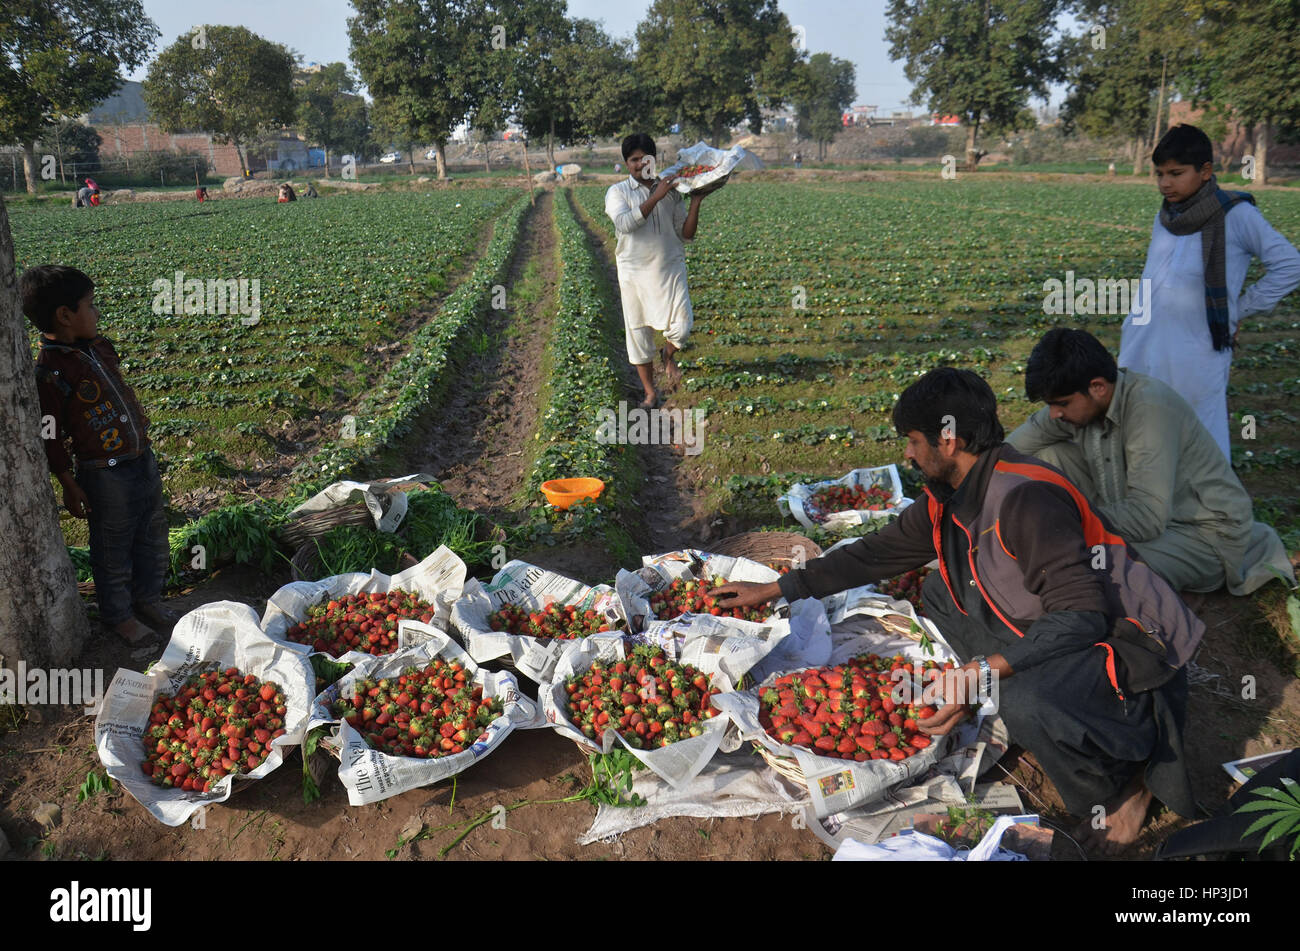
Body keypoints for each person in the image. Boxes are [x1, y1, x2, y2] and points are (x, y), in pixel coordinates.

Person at [713, 368, 1205, 854]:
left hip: (1131, 642)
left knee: (1022, 699)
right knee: (943, 594)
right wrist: (781, 587)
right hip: (1049, 620)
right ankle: (1024, 694)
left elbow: (1081, 616)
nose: (906, 453)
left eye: (911, 440)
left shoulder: (1026, 499)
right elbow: (877, 552)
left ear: (947, 440)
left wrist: (981, 673)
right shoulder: (952, 497)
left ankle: (1124, 787)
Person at [1008, 328, 1294, 596]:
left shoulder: (1149, 409)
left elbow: (1146, 519)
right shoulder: (1080, 404)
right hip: (1137, 507)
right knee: (1044, 460)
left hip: (1204, 534)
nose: (1055, 414)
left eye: (1062, 404)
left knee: (1097, 569)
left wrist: (1064, 521)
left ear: (1097, 387)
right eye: (1050, 406)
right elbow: (1010, 450)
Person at [1118, 124, 1300, 460]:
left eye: (1175, 173)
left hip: (1198, 344)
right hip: (1145, 338)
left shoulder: (1238, 214)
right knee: (1141, 424)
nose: (1165, 183)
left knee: (1199, 432)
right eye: (1159, 174)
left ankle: (1214, 510)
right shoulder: (1167, 216)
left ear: (1205, 172)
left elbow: (1290, 265)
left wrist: (1239, 309)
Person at [22, 265, 177, 649]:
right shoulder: (50, 373)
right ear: (65, 315)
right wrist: (67, 480)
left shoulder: (99, 347)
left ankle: (148, 598)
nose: (97, 313)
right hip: (104, 475)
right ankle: (120, 617)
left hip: (141, 458)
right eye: (90, 305)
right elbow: (50, 433)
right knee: (112, 547)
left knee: (152, 534)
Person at [604, 133, 707, 409]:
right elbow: (625, 224)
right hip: (634, 273)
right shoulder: (617, 193)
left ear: (654, 159)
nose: (640, 164)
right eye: (634, 159)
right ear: (627, 163)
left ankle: (668, 354)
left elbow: (685, 234)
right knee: (638, 335)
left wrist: (695, 201)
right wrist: (655, 196)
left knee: (682, 328)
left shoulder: (673, 189)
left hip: (670, 267)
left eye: (644, 158)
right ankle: (650, 393)